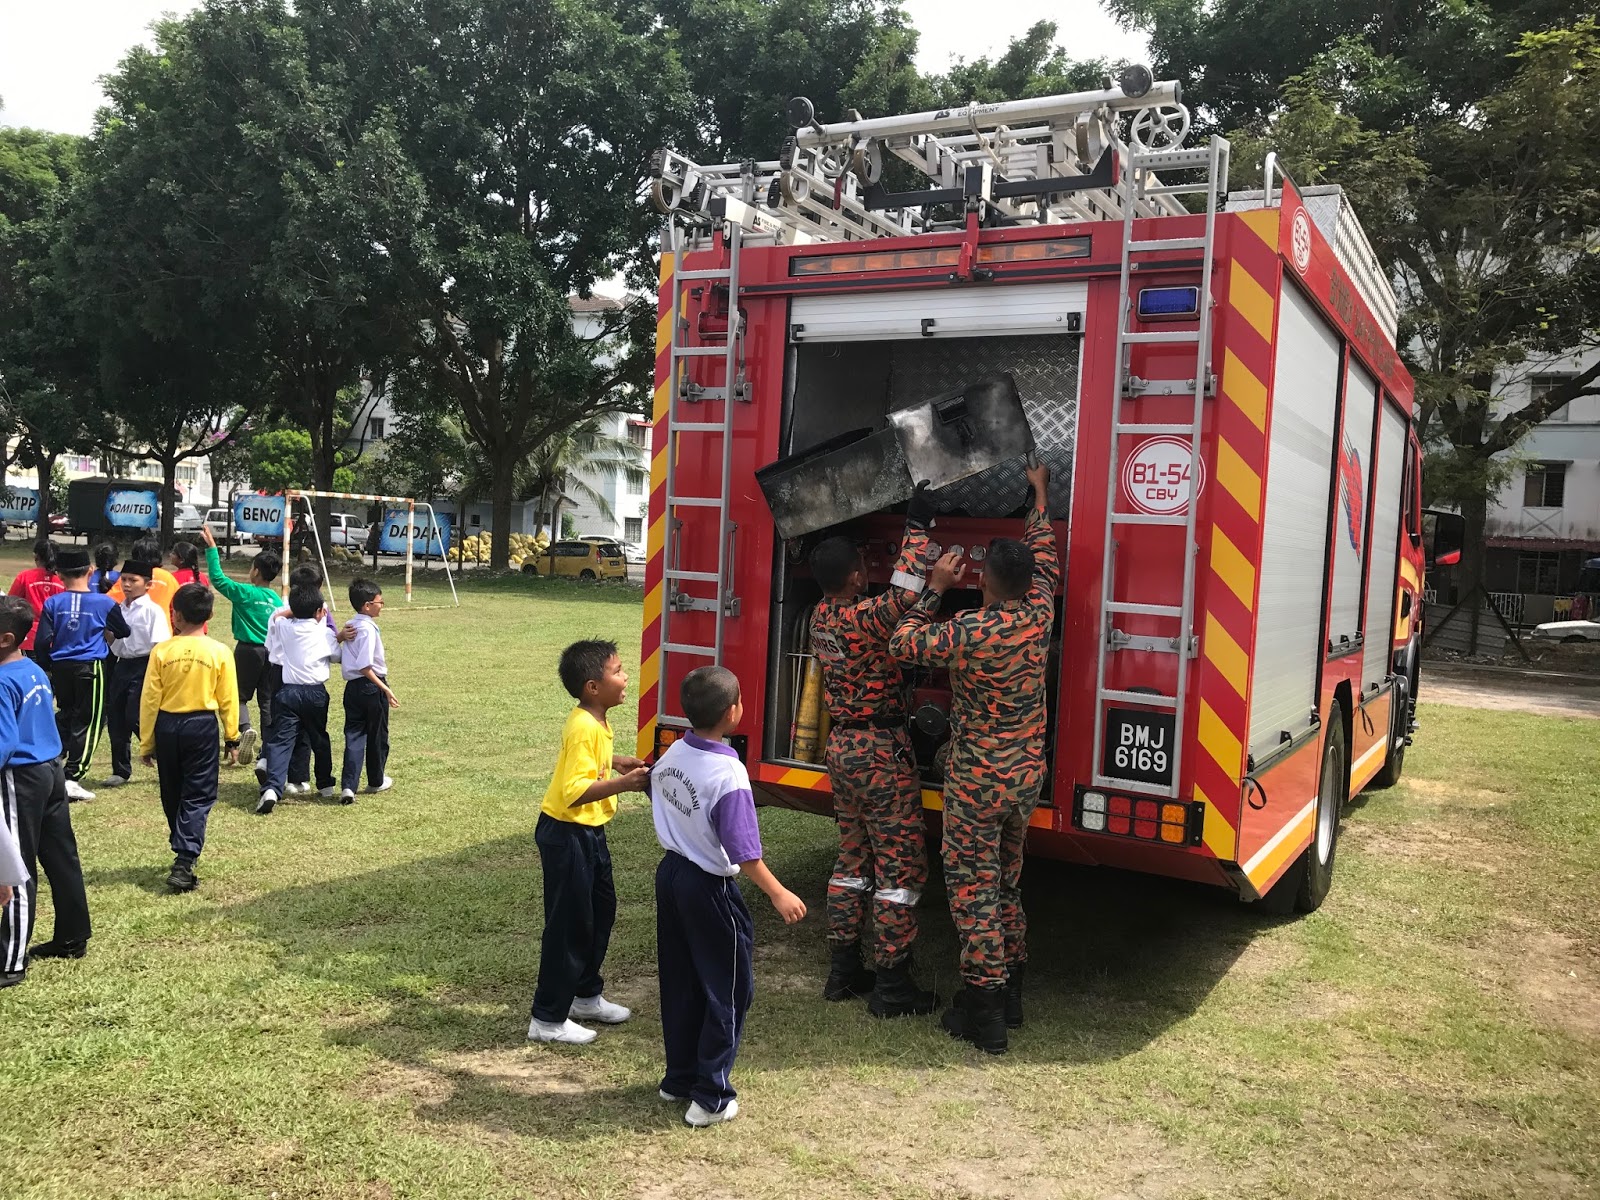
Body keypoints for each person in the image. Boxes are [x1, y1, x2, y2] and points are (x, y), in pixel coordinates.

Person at [889, 459, 1058, 1056]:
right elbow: (1045, 555)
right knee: (1007, 884)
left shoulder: (970, 631)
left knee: (972, 891)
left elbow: (902, 642)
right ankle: (1011, 995)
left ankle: (984, 1011)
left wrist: (934, 586)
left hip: (977, 784)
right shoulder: (1041, 612)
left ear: (983, 579)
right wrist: (1039, 496)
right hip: (1024, 779)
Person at [650, 665, 806, 1126]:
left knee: (681, 980)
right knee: (728, 988)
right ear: (733, 712)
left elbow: (659, 789)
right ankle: (711, 1097)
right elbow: (744, 852)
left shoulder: (674, 750)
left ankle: (679, 1078)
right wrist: (779, 893)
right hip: (708, 887)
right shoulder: (729, 772)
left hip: (671, 874)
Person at [806, 484, 939, 1017]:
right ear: (857, 578)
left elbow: (894, 610)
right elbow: (904, 593)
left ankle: (843, 971)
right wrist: (918, 525)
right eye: (863, 568)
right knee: (899, 870)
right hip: (881, 751)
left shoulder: (821, 617)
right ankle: (892, 985)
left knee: (852, 859)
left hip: (842, 747)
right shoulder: (863, 618)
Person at [527, 639, 651, 1046]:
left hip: (588, 832)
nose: (626, 678)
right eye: (618, 671)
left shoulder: (595, 720)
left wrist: (615, 761)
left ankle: (584, 996)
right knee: (569, 925)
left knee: (599, 913)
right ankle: (547, 1019)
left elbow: (589, 762)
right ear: (593, 687)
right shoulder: (583, 726)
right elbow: (574, 791)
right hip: (567, 835)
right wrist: (624, 783)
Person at [0, 596, 92, 985]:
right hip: (51, 770)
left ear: (5, 638)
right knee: (61, 856)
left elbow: (4, 742)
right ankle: (72, 937)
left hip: (21, 777)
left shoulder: (2, 680)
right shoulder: (33, 669)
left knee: (15, 866)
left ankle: (10, 963)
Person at [139, 583, 240, 892]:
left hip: (167, 726)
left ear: (176, 616)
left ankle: (182, 848)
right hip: (201, 726)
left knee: (172, 791)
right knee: (198, 793)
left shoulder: (162, 651)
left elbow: (150, 700)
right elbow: (228, 698)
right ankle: (184, 860)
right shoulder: (220, 651)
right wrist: (232, 737)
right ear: (210, 615)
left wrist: (147, 742)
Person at [36, 549, 131, 802]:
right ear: (90, 571)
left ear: (59, 574)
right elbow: (124, 630)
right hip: (91, 667)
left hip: (61, 666)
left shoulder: (53, 603)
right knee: (90, 721)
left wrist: (48, 665)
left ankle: (52, 760)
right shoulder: (105, 603)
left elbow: (42, 641)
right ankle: (72, 777)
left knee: (66, 713)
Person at [199, 525, 280, 766]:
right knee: (267, 700)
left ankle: (245, 729)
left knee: (238, 696)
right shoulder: (277, 600)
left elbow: (218, 579)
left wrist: (212, 549)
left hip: (247, 651)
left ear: (256, 571)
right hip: (271, 654)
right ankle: (268, 745)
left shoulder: (245, 592)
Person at [256, 584, 339, 814]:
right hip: (315, 692)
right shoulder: (325, 633)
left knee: (282, 741)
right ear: (319, 611)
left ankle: (272, 788)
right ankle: (325, 784)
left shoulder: (284, 627)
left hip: (288, 692)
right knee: (319, 738)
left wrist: (296, 608)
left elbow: (278, 618)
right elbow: (336, 656)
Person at [104, 559, 172, 787]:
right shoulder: (118, 608)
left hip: (145, 665)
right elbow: (115, 643)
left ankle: (162, 755)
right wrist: (107, 634)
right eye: (123, 580)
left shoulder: (153, 611)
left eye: (133, 580)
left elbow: (160, 645)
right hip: (122, 664)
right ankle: (120, 770)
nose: (127, 584)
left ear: (148, 584)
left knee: (135, 715)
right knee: (115, 716)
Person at [338, 578, 396, 803]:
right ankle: (376, 780)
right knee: (377, 735)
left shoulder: (350, 626)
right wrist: (385, 688)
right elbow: (365, 666)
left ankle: (348, 786)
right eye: (380, 602)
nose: (382, 606)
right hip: (371, 686)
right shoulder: (368, 630)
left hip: (352, 688)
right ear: (367, 606)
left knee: (354, 736)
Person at [7, 539, 62, 660]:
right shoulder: (63, 579)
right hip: (57, 637)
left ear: (36, 556)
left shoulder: (24, 577)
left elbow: (10, 604)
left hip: (31, 637)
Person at [109, 538, 179, 620]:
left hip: (134, 625)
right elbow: (177, 606)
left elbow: (110, 601)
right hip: (164, 625)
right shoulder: (169, 578)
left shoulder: (129, 578)